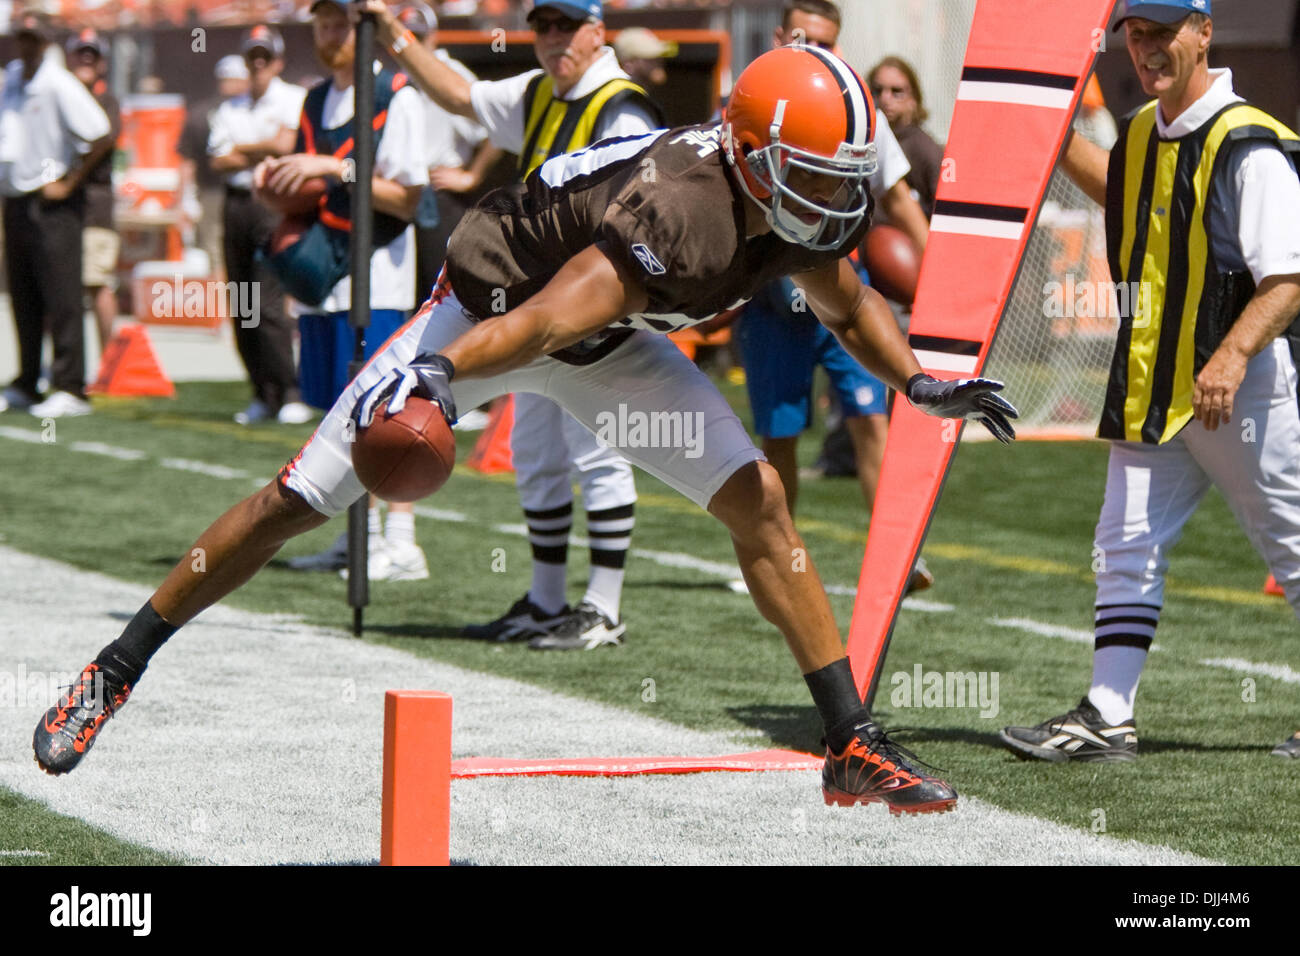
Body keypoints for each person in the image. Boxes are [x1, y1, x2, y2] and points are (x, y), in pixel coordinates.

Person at [33, 45, 1018, 817]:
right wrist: (439, 366)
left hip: (604, 341)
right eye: (812, 173)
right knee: (298, 496)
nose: (835, 197)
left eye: (838, 176)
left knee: (758, 500)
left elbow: (849, 304)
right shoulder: (684, 208)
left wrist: (921, 381)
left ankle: (850, 741)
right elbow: (545, 320)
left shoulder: (774, 203)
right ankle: (114, 667)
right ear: (752, 155)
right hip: (488, 312)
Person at [1000, 0, 1300, 762]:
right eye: (1136, 34)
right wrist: (1046, 131)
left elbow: (1289, 279)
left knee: (1292, 547)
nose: (1148, 49)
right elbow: (1130, 191)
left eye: (1165, 32)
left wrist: (1230, 357)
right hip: (1152, 385)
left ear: (1205, 32)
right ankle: (1107, 713)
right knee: (1124, 545)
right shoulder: (1140, 132)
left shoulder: (1250, 144)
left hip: (1240, 390)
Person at [372, 0, 663, 649]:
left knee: (598, 451)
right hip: (535, 307)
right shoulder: (540, 92)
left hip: (596, 310)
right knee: (535, 453)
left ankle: (604, 606)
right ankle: (546, 599)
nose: (554, 37)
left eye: (567, 24)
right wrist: (392, 31)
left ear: (597, 30)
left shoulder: (623, 106)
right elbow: (458, 92)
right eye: (543, 24)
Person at [735, 0, 932, 590]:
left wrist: (938, 273)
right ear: (780, 36)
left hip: (840, 290)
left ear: (838, 45)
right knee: (780, 433)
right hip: (769, 296)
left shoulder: (856, 110)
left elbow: (897, 197)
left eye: (824, 41)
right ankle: (778, 559)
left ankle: (897, 555)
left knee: (872, 418)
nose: (812, 50)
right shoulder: (745, 100)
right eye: (802, 38)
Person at [272, 0, 429, 582]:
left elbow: (407, 196)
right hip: (328, 271)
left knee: (384, 413)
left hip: (377, 274)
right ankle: (355, 536)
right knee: (335, 413)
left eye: (340, 23)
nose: (330, 33)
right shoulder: (316, 98)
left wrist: (331, 170)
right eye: (322, 23)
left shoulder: (396, 93)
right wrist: (284, 183)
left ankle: (403, 542)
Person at [0, 9, 112, 418]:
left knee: (62, 294)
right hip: (16, 198)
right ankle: (27, 381)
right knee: (23, 295)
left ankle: (70, 385)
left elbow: (100, 133)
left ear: (45, 42)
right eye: (21, 38)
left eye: (33, 39)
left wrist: (69, 180)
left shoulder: (58, 82)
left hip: (54, 203)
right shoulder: (13, 78)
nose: (25, 45)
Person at [207, 25, 313, 426]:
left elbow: (285, 145)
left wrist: (242, 150)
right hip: (236, 204)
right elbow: (218, 160)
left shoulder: (291, 97)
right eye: (253, 57)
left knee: (267, 300)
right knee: (242, 299)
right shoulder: (231, 107)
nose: (258, 65)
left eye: (264, 57)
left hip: (273, 203)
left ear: (278, 61)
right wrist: (260, 147)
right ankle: (262, 390)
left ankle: (289, 388)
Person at [395, 1, 502, 304]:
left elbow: (498, 128)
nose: (411, 44)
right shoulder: (398, 77)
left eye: (419, 35)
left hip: (440, 197)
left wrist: (471, 176)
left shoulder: (451, 73)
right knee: (408, 295)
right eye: (405, 36)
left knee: (439, 295)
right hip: (401, 197)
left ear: (434, 36)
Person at [66, 29, 122, 357]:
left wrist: (69, 179)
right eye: (81, 52)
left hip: (94, 205)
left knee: (96, 282)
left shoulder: (107, 100)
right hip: (62, 207)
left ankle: (108, 363)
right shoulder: (59, 96)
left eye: (93, 54)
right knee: (58, 289)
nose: (86, 59)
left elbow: (100, 143)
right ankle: (64, 364)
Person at [179, 55, 249, 276]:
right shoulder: (212, 114)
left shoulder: (249, 109)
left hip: (239, 192)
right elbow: (188, 162)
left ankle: (239, 308)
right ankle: (230, 310)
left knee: (224, 252)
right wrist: (185, 199)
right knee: (222, 254)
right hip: (219, 193)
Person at [868, 56, 943, 218]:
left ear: (913, 98)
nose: (885, 98)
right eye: (877, 90)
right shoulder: (864, 141)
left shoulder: (927, 150)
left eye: (897, 92)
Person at [612, 26, 676, 95]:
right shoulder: (619, 98)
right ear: (629, 64)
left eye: (659, 56)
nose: (659, 61)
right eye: (650, 57)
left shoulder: (639, 96)